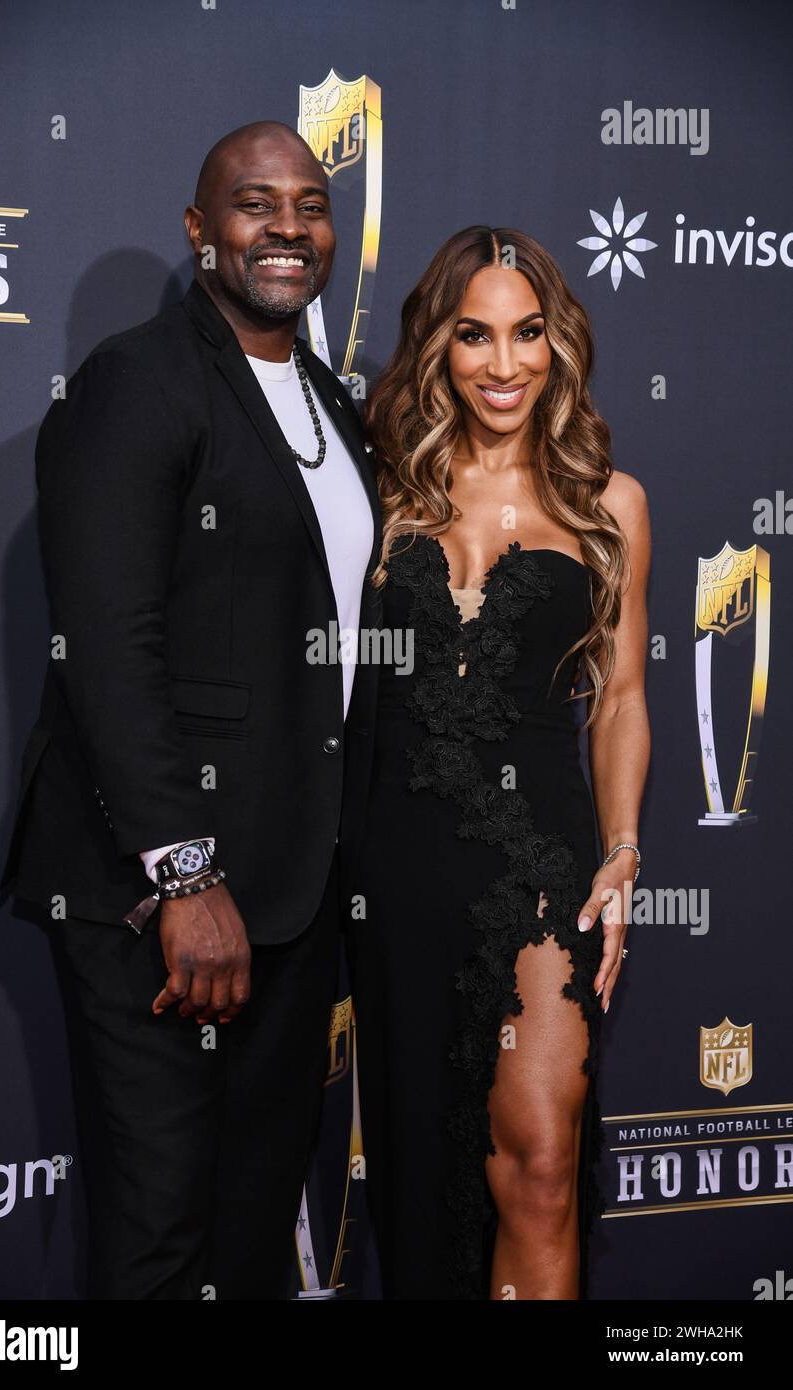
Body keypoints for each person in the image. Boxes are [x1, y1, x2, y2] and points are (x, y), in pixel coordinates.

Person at [0, 120, 380, 1299]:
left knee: (252, 1216)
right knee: (162, 1232)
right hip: (162, 897)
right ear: (199, 229)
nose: (287, 230)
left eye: (310, 207)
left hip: (291, 887)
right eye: (254, 204)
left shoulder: (327, 397)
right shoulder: (137, 379)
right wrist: (182, 871)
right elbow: (109, 646)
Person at [346, 226, 650, 1300]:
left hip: (538, 865)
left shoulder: (606, 503)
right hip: (394, 864)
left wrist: (618, 852)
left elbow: (616, 700)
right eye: (473, 336)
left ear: (558, 343)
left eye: (526, 334)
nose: (504, 363)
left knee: (537, 1166)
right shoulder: (374, 494)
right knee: (423, 1171)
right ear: (438, 346)